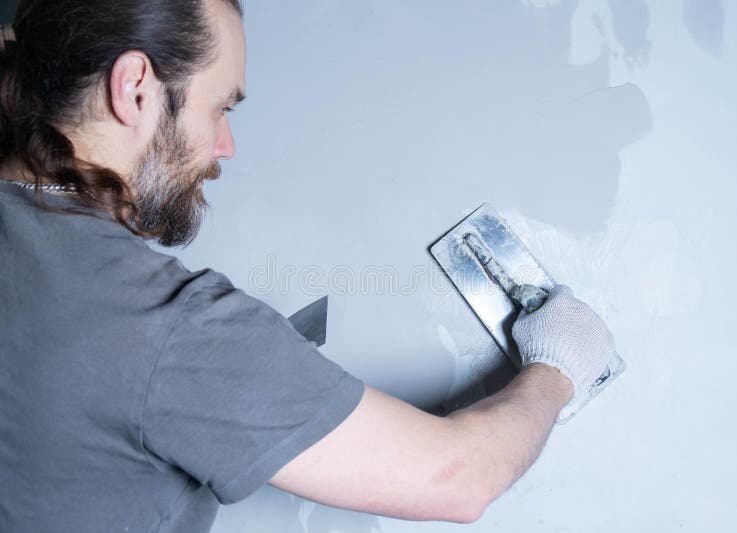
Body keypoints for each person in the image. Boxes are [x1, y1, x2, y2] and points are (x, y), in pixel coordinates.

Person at [0, 1, 618, 532]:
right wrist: (558, 369)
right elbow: (456, 478)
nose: (226, 147)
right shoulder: (163, 328)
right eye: (222, 109)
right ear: (135, 87)